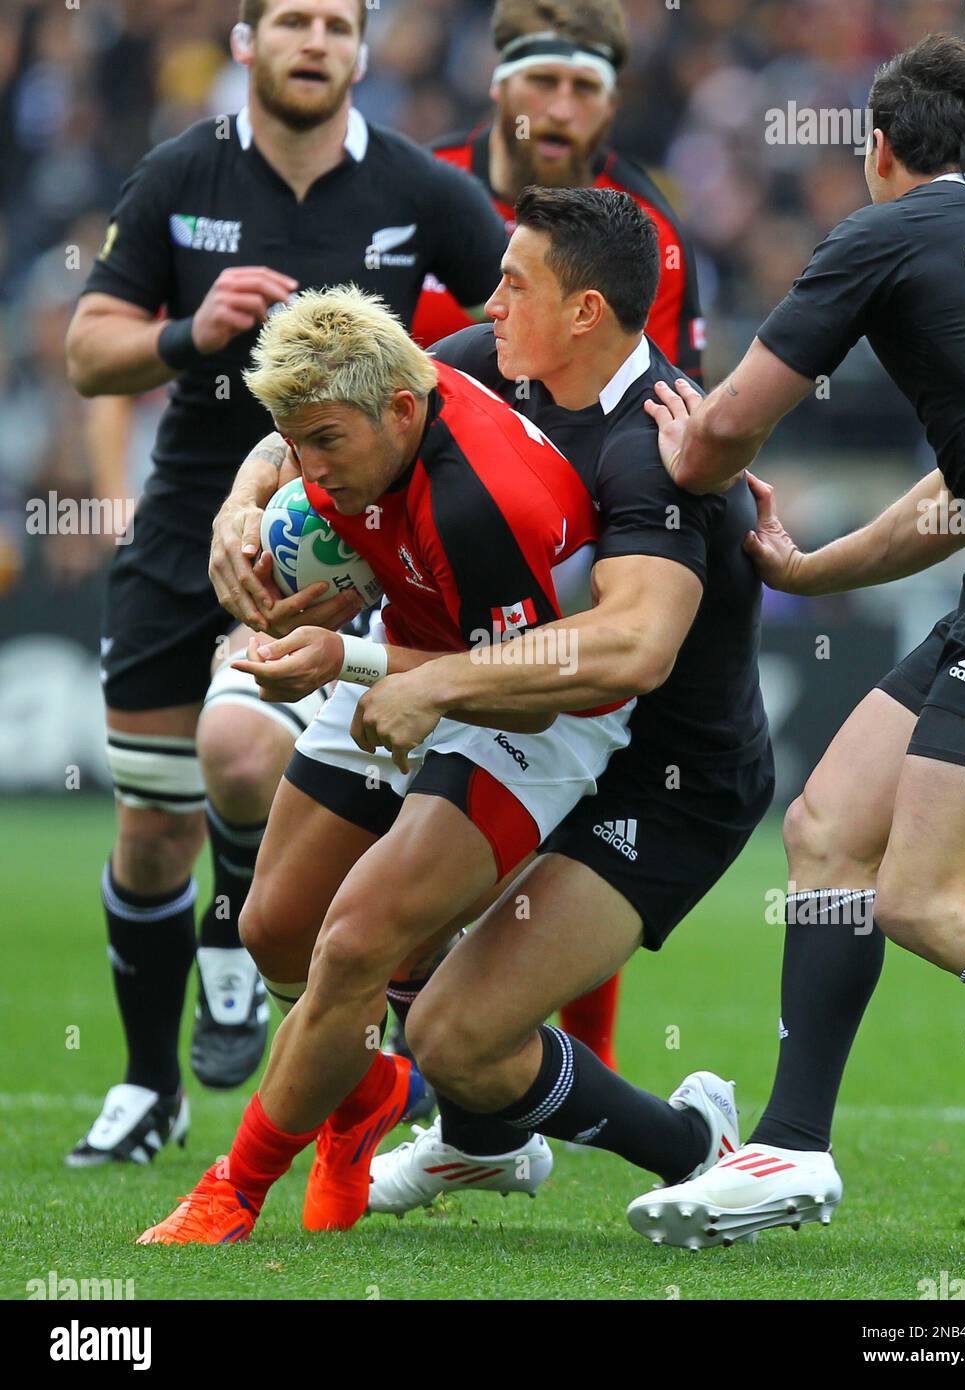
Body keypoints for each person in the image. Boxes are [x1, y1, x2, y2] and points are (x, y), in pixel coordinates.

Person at [216, 188, 771, 1215]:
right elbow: (336, 396)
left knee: (457, 1028)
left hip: (663, 773)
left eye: (514, 283)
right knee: (289, 925)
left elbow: (633, 648)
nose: (489, 298)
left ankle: (694, 1142)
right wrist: (247, 495)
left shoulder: (665, 444)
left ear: (586, 313)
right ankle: (470, 1138)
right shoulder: (485, 359)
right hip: (504, 693)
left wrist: (405, 676)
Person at [63, 0, 505, 1165]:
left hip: (348, 554)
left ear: (362, 49)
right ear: (248, 42)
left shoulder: (420, 190)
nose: (313, 41)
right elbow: (87, 347)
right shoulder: (179, 174)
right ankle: (148, 1082)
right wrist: (185, 332)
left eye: (335, 23)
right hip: (184, 536)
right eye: (290, 20)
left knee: (246, 758)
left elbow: (517, 322)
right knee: (152, 829)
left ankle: (245, 943)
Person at [624, 33, 965, 1249]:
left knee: (927, 893)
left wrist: (664, 442)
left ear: (876, 149)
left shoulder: (884, 232)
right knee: (829, 828)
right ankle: (790, 1149)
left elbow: (713, 443)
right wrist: (809, 568)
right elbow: (963, 492)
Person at [136, 282, 639, 1244]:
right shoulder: (371, 407)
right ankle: (366, 1090)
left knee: (356, 944)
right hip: (405, 655)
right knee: (276, 928)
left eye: (329, 443)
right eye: (302, 441)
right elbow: (283, 443)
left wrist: (350, 658)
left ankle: (232, 1193)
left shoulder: (481, 506)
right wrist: (237, 509)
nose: (312, 470)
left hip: (533, 712)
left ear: (401, 412)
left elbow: (514, 680)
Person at [413, 0, 707, 1066]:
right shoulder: (425, 187)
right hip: (408, 515)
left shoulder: (646, 229)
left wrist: (699, 474)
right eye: (544, 80)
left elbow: (654, 397)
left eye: (585, 87)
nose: (561, 104)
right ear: (500, 86)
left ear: (612, 102)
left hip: (562, 538)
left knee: (546, 760)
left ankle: (555, 1056)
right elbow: (394, 366)